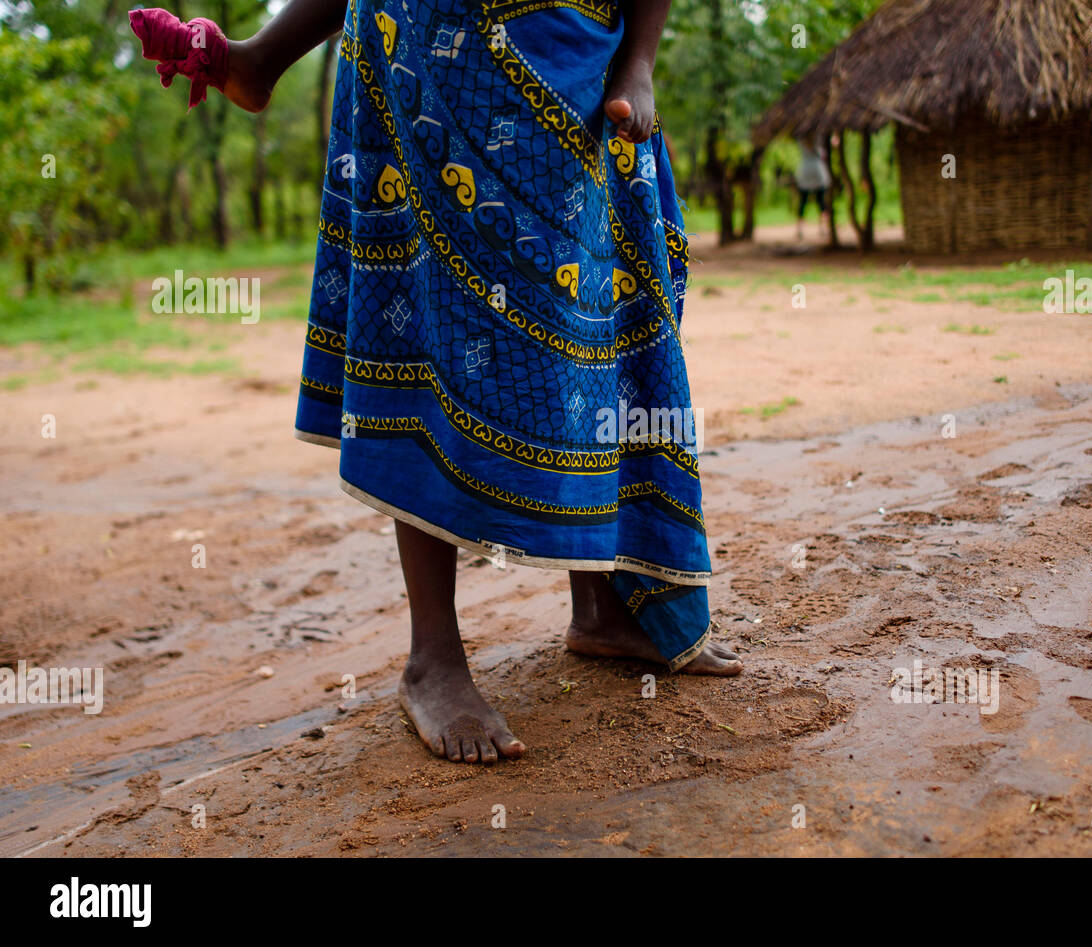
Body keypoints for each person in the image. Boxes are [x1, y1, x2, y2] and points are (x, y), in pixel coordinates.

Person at [130, 0, 741, 766]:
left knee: (598, 311)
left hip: (579, 44)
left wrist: (639, 60)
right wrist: (271, 51)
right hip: (431, 42)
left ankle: (601, 605)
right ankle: (433, 655)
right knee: (434, 322)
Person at [794, 138, 831, 241]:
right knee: (821, 201)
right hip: (818, 170)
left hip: (805, 170)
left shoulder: (801, 138)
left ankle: (799, 229)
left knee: (803, 202)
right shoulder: (820, 138)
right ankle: (823, 228)